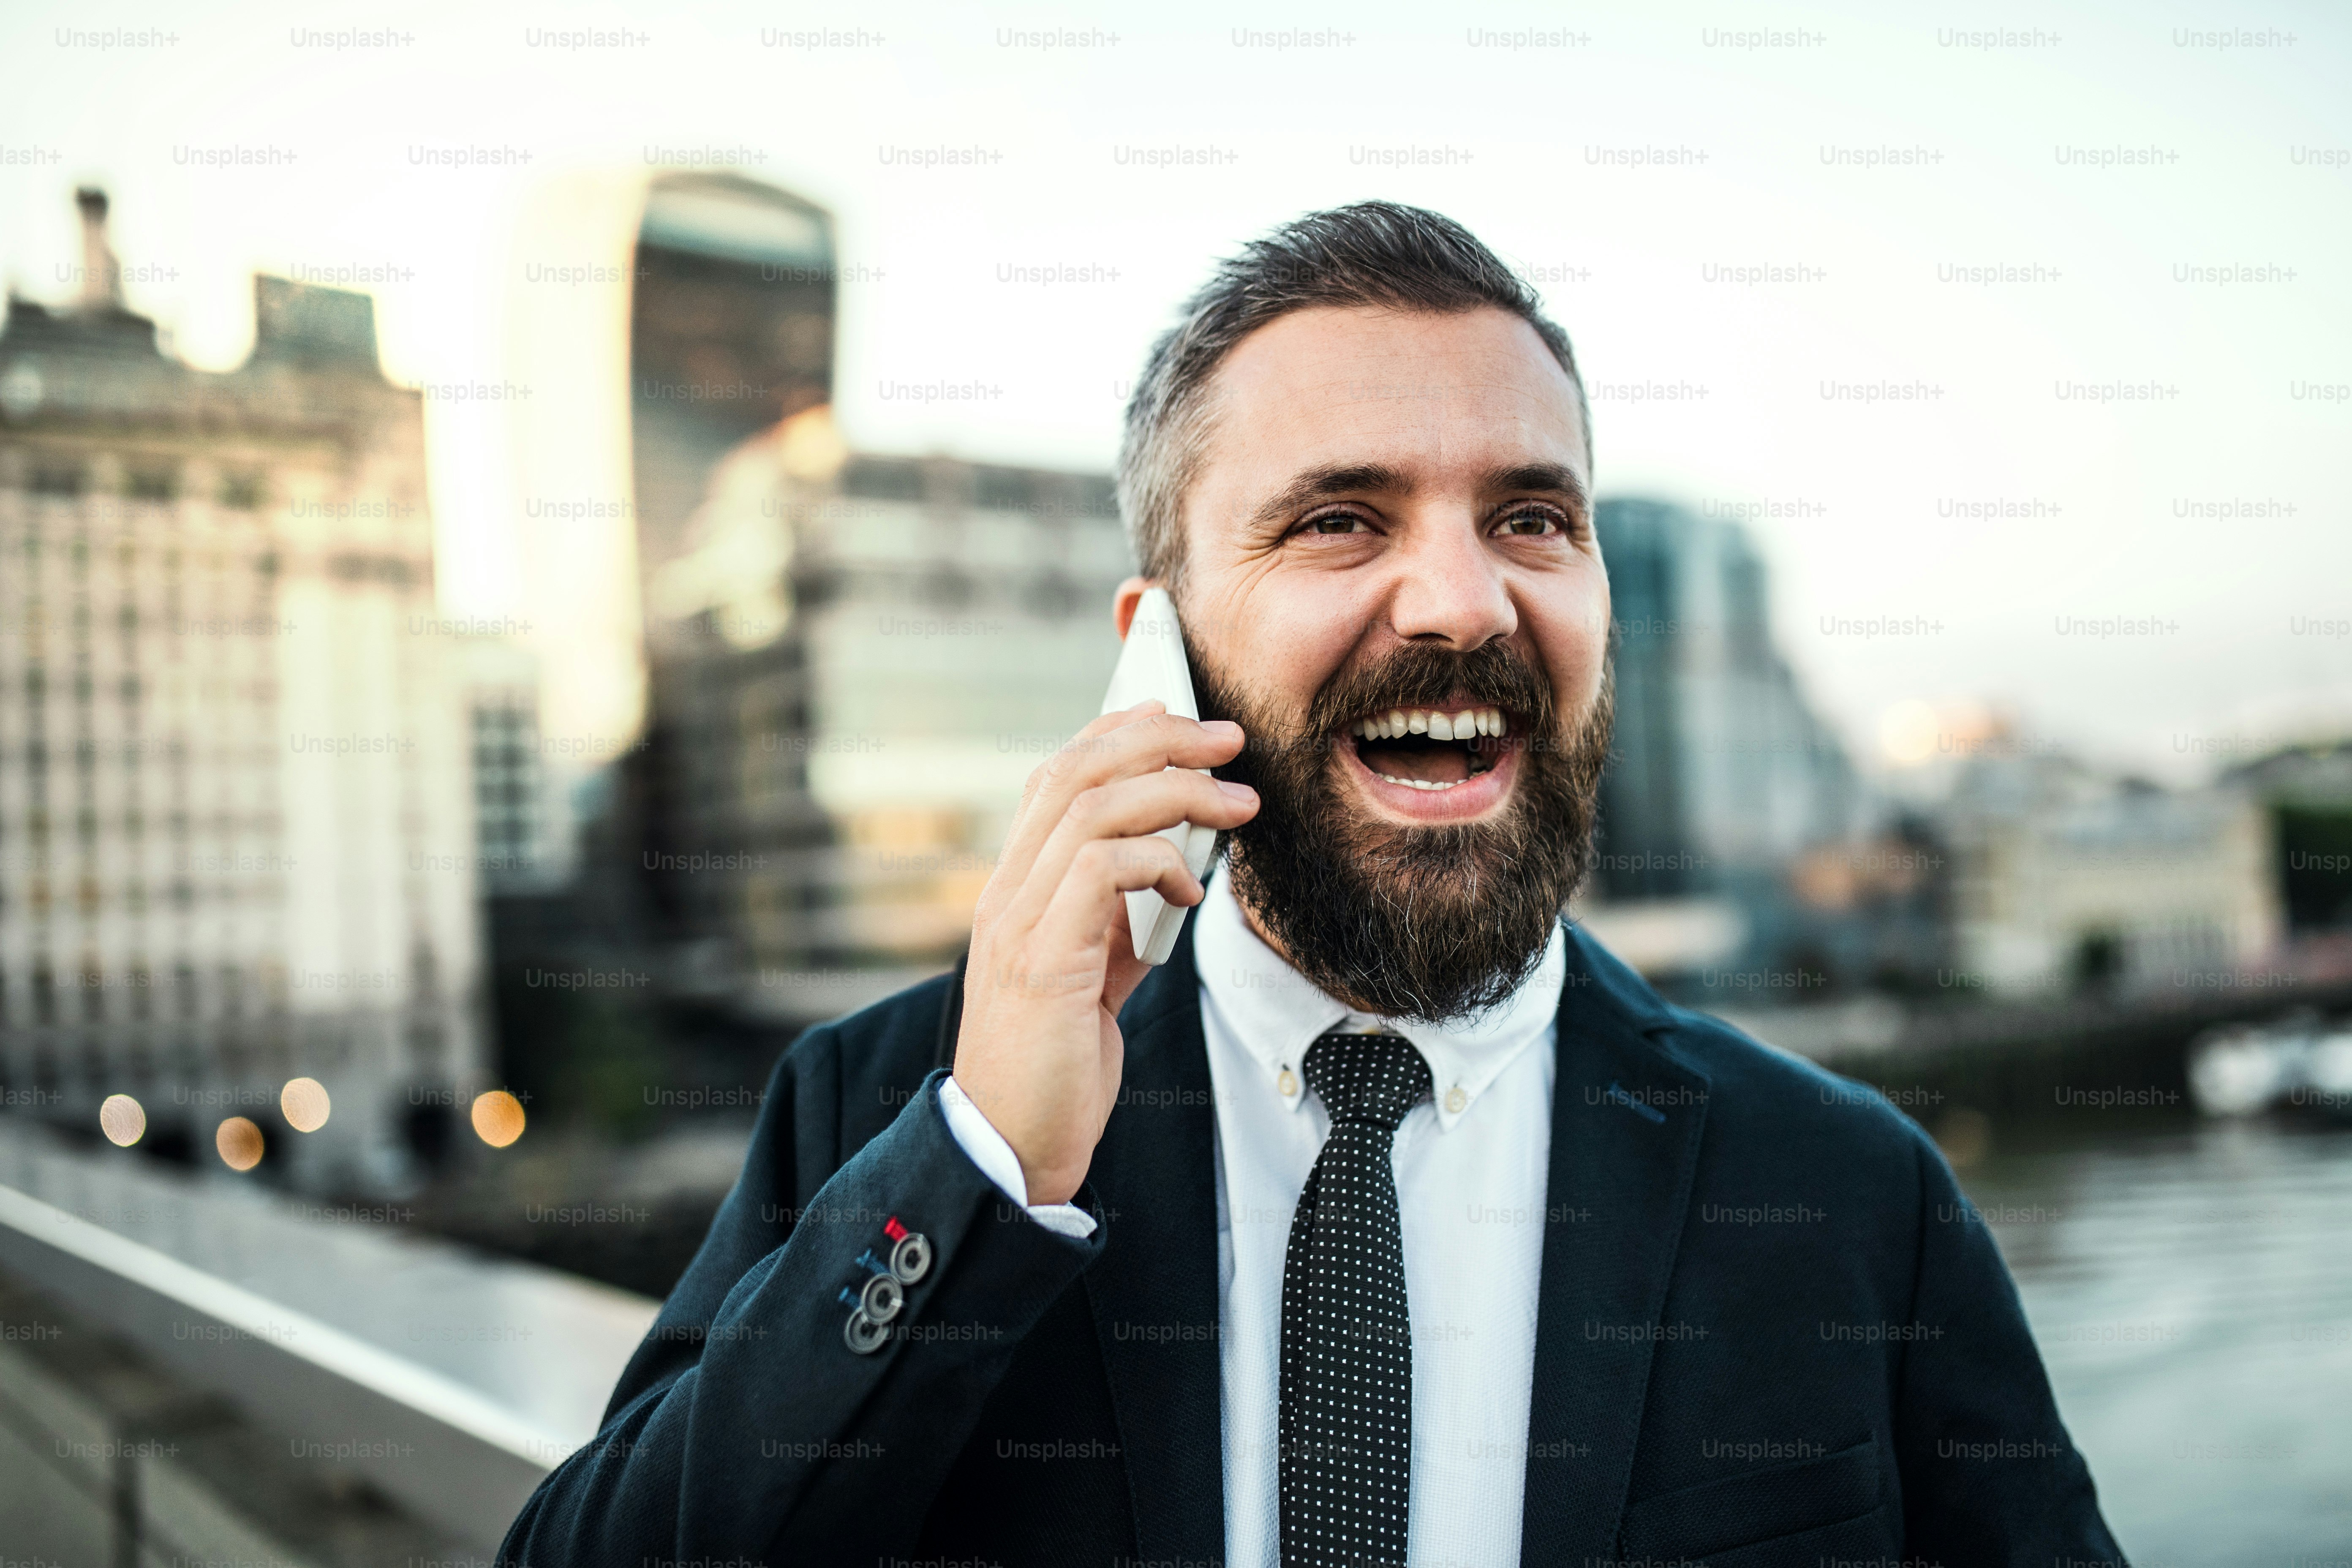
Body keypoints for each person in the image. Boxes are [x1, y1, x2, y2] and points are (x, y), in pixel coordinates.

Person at [498, 202, 2123, 1568]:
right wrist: (983, 1166)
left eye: (1534, 518)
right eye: (1342, 520)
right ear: (1159, 647)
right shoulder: (888, 1116)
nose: (1462, 601)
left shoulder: (1854, 1198)